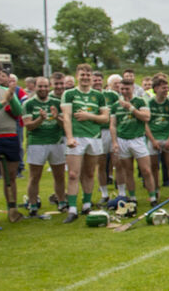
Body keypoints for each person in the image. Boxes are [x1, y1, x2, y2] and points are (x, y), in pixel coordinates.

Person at [61, 64, 109, 223]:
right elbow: (66, 117)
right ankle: (72, 209)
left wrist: (89, 116)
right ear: (77, 76)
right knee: (73, 174)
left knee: (89, 173)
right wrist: (69, 137)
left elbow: (105, 118)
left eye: (88, 75)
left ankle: (87, 205)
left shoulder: (99, 96)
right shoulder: (69, 94)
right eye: (82, 75)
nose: (85, 78)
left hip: (94, 137)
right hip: (76, 137)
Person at [22, 77, 66, 218]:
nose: (43, 89)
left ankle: (61, 202)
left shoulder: (57, 102)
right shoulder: (29, 104)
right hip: (37, 143)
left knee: (59, 175)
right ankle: (33, 204)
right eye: (40, 86)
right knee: (35, 176)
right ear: (35, 87)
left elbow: (64, 124)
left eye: (45, 86)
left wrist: (56, 117)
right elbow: (28, 126)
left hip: (56, 142)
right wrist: (41, 119)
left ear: (49, 87)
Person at [110, 79, 157, 206]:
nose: (124, 91)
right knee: (128, 171)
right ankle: (132, 198)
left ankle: (153, 197)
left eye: (127, 89)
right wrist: (114, 142)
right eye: (122, 89)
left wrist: (130, 108)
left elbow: (146, 117)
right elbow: (113, 125)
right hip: (122, 140)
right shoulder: (115, 105)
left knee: (146, 170)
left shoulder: (140, 101)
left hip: (138, 139)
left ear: (133, 89)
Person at [0, 63, 24, 226]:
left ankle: (12, 209)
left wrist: (11, 98)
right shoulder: (3, 95)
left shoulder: (6, 91)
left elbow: (18, 112)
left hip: (10, 136)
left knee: (11, 176)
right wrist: (4, 101)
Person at [145, 75, 169, 197]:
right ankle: (155, 191)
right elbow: (145, 123)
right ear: (155, 89)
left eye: (167, 88)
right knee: (153, 166)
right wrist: (152, 140)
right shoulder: (149, 103)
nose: (166, 90)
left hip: (168, 138)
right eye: (163, 88)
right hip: (153, 138)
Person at [92, 71, 118, 204]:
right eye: (94, 80)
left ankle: (121, 192)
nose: (97, 82)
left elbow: (119, 110)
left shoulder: (111, 95)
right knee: (101, 164)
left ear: (103, 81)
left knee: (118, 162)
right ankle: (104, 193)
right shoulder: (88, 96)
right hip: (97, 132)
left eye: (99, 80)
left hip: (112, 131)